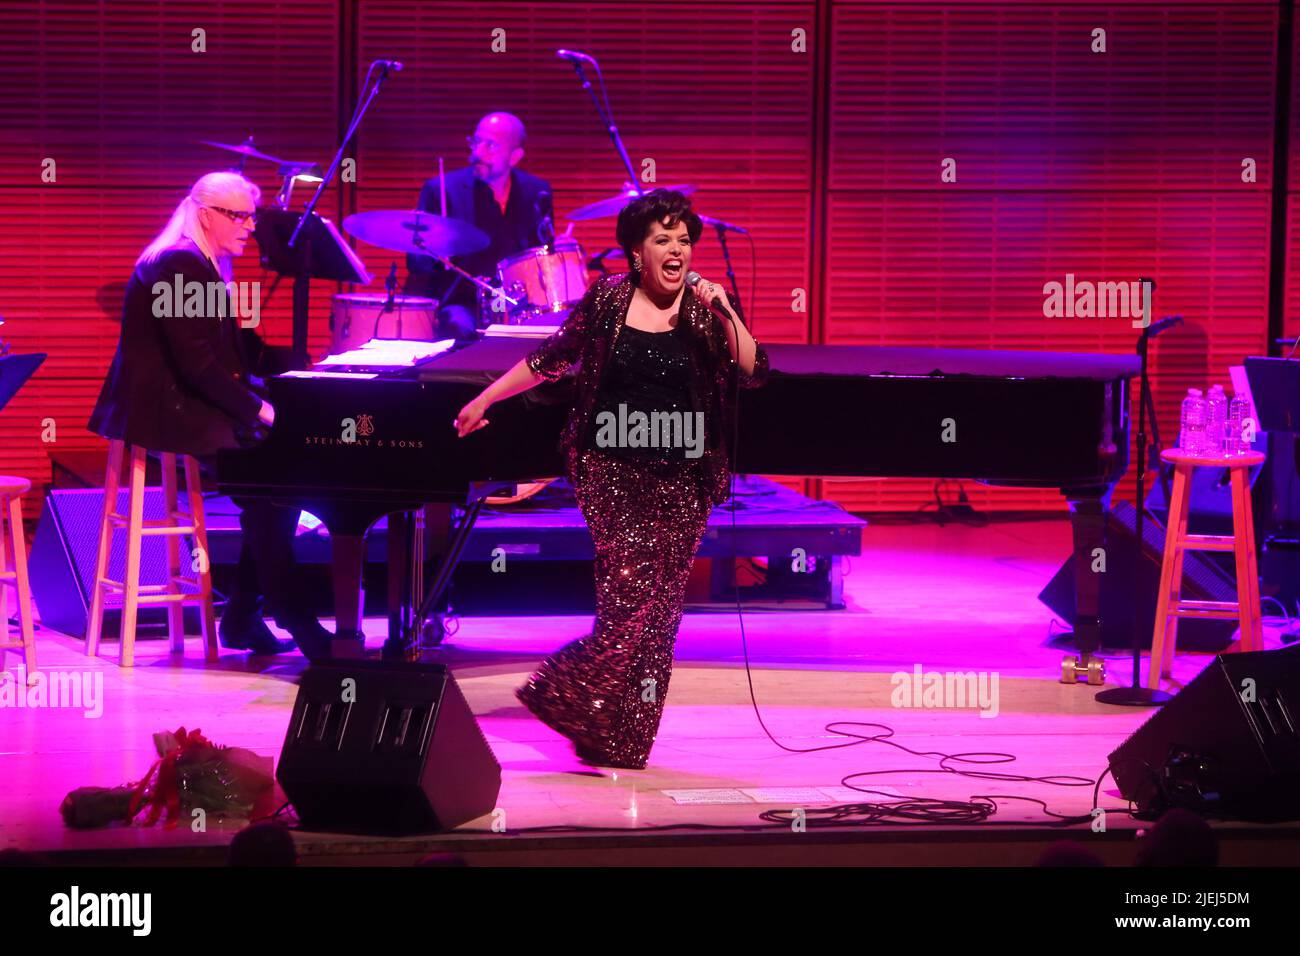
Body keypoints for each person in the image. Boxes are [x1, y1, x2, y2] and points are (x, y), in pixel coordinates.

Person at [453, 189, 769, 769]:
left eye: (684, 240)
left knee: (661, 615)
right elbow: (547, 359)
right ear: (636, 251)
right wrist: (484, 399)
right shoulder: (606, 301)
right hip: (613, 469)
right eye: (663, 240)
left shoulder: (704, 310)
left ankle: (619, 739)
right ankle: (558, 692)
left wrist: (727, 312)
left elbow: (752, 371)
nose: (677, 250)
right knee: (630, 598)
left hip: (686, 474)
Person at [88, 171, 331, 659]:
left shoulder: (203, 261)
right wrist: (260, 410)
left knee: (275, 486)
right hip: (167, 410)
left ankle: (244, 614)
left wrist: (309, 366)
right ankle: (287, 617)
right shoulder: (179, 265)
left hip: (186, 398)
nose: (249, 226)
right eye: (238, 216)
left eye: (251, 216)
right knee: (273, 480)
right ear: (206, 214)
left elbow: (229, 350)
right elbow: (197, 366)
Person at [406, 112, 554, 340]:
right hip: (462, 301)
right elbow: (417, 262)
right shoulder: (443, 190)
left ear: (515, 156)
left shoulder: (536, 191)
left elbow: (541, 252)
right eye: (476, 142)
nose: (477, 153)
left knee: (554, 333)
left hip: (516, 302)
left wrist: (557, 249)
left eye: (491, 146)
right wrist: (437, 252)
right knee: (460, 327)